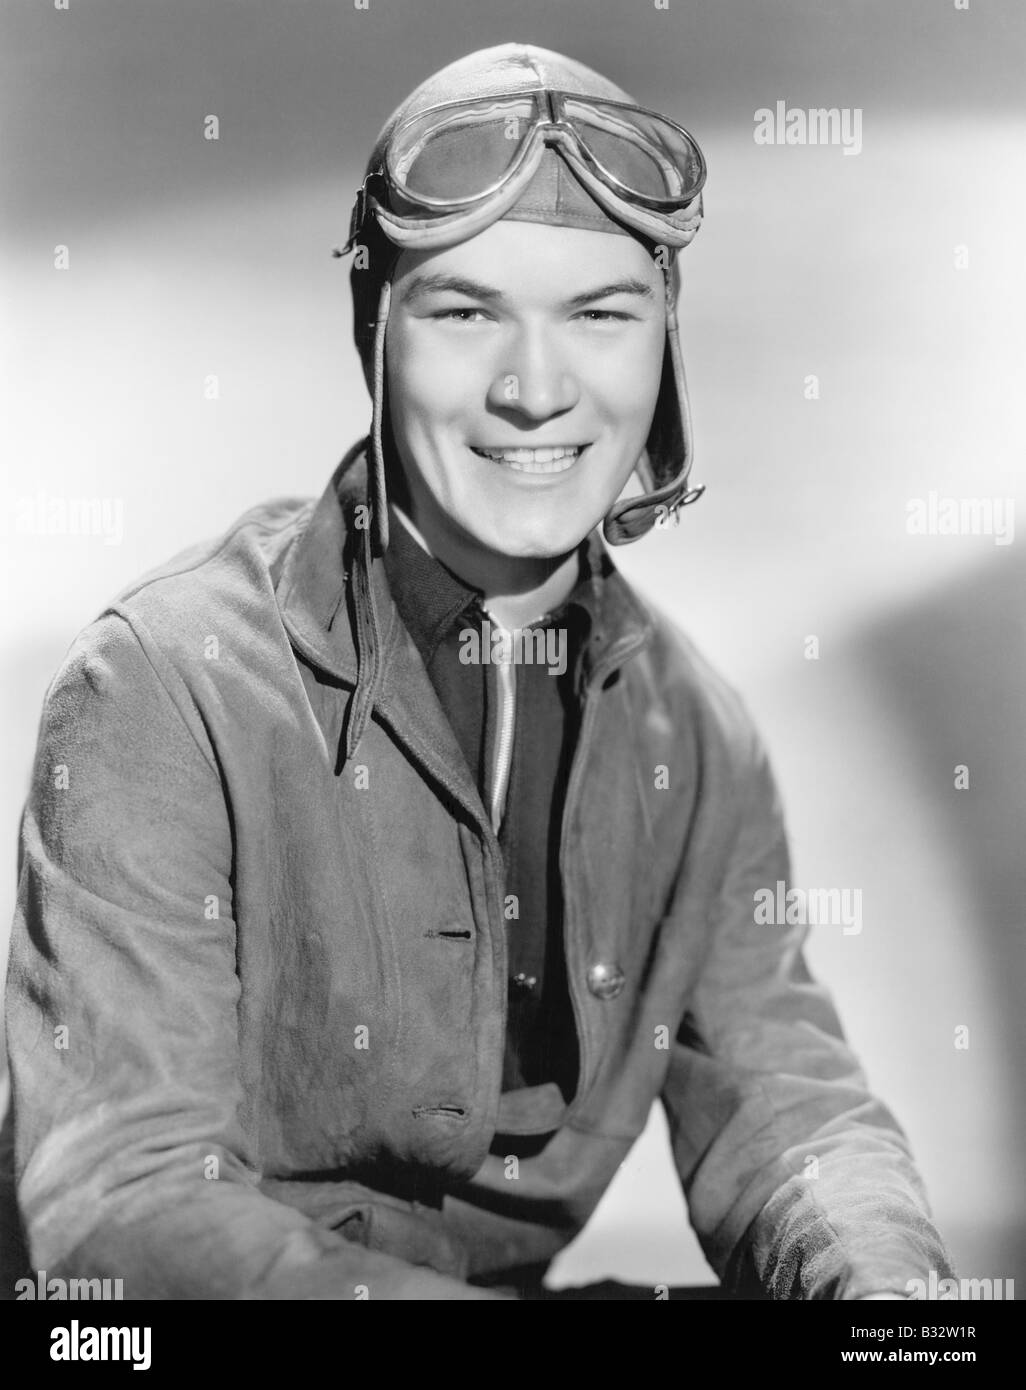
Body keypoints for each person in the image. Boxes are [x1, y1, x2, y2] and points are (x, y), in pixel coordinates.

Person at [3, 42, 953, 1300]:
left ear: (664, 349)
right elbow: (122, 1208)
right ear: (378, 335)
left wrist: (899, 1307)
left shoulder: (697, 735)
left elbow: (790, 1111)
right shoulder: (166, 686)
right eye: (466, 312)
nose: (535, 389)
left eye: (601, 314)